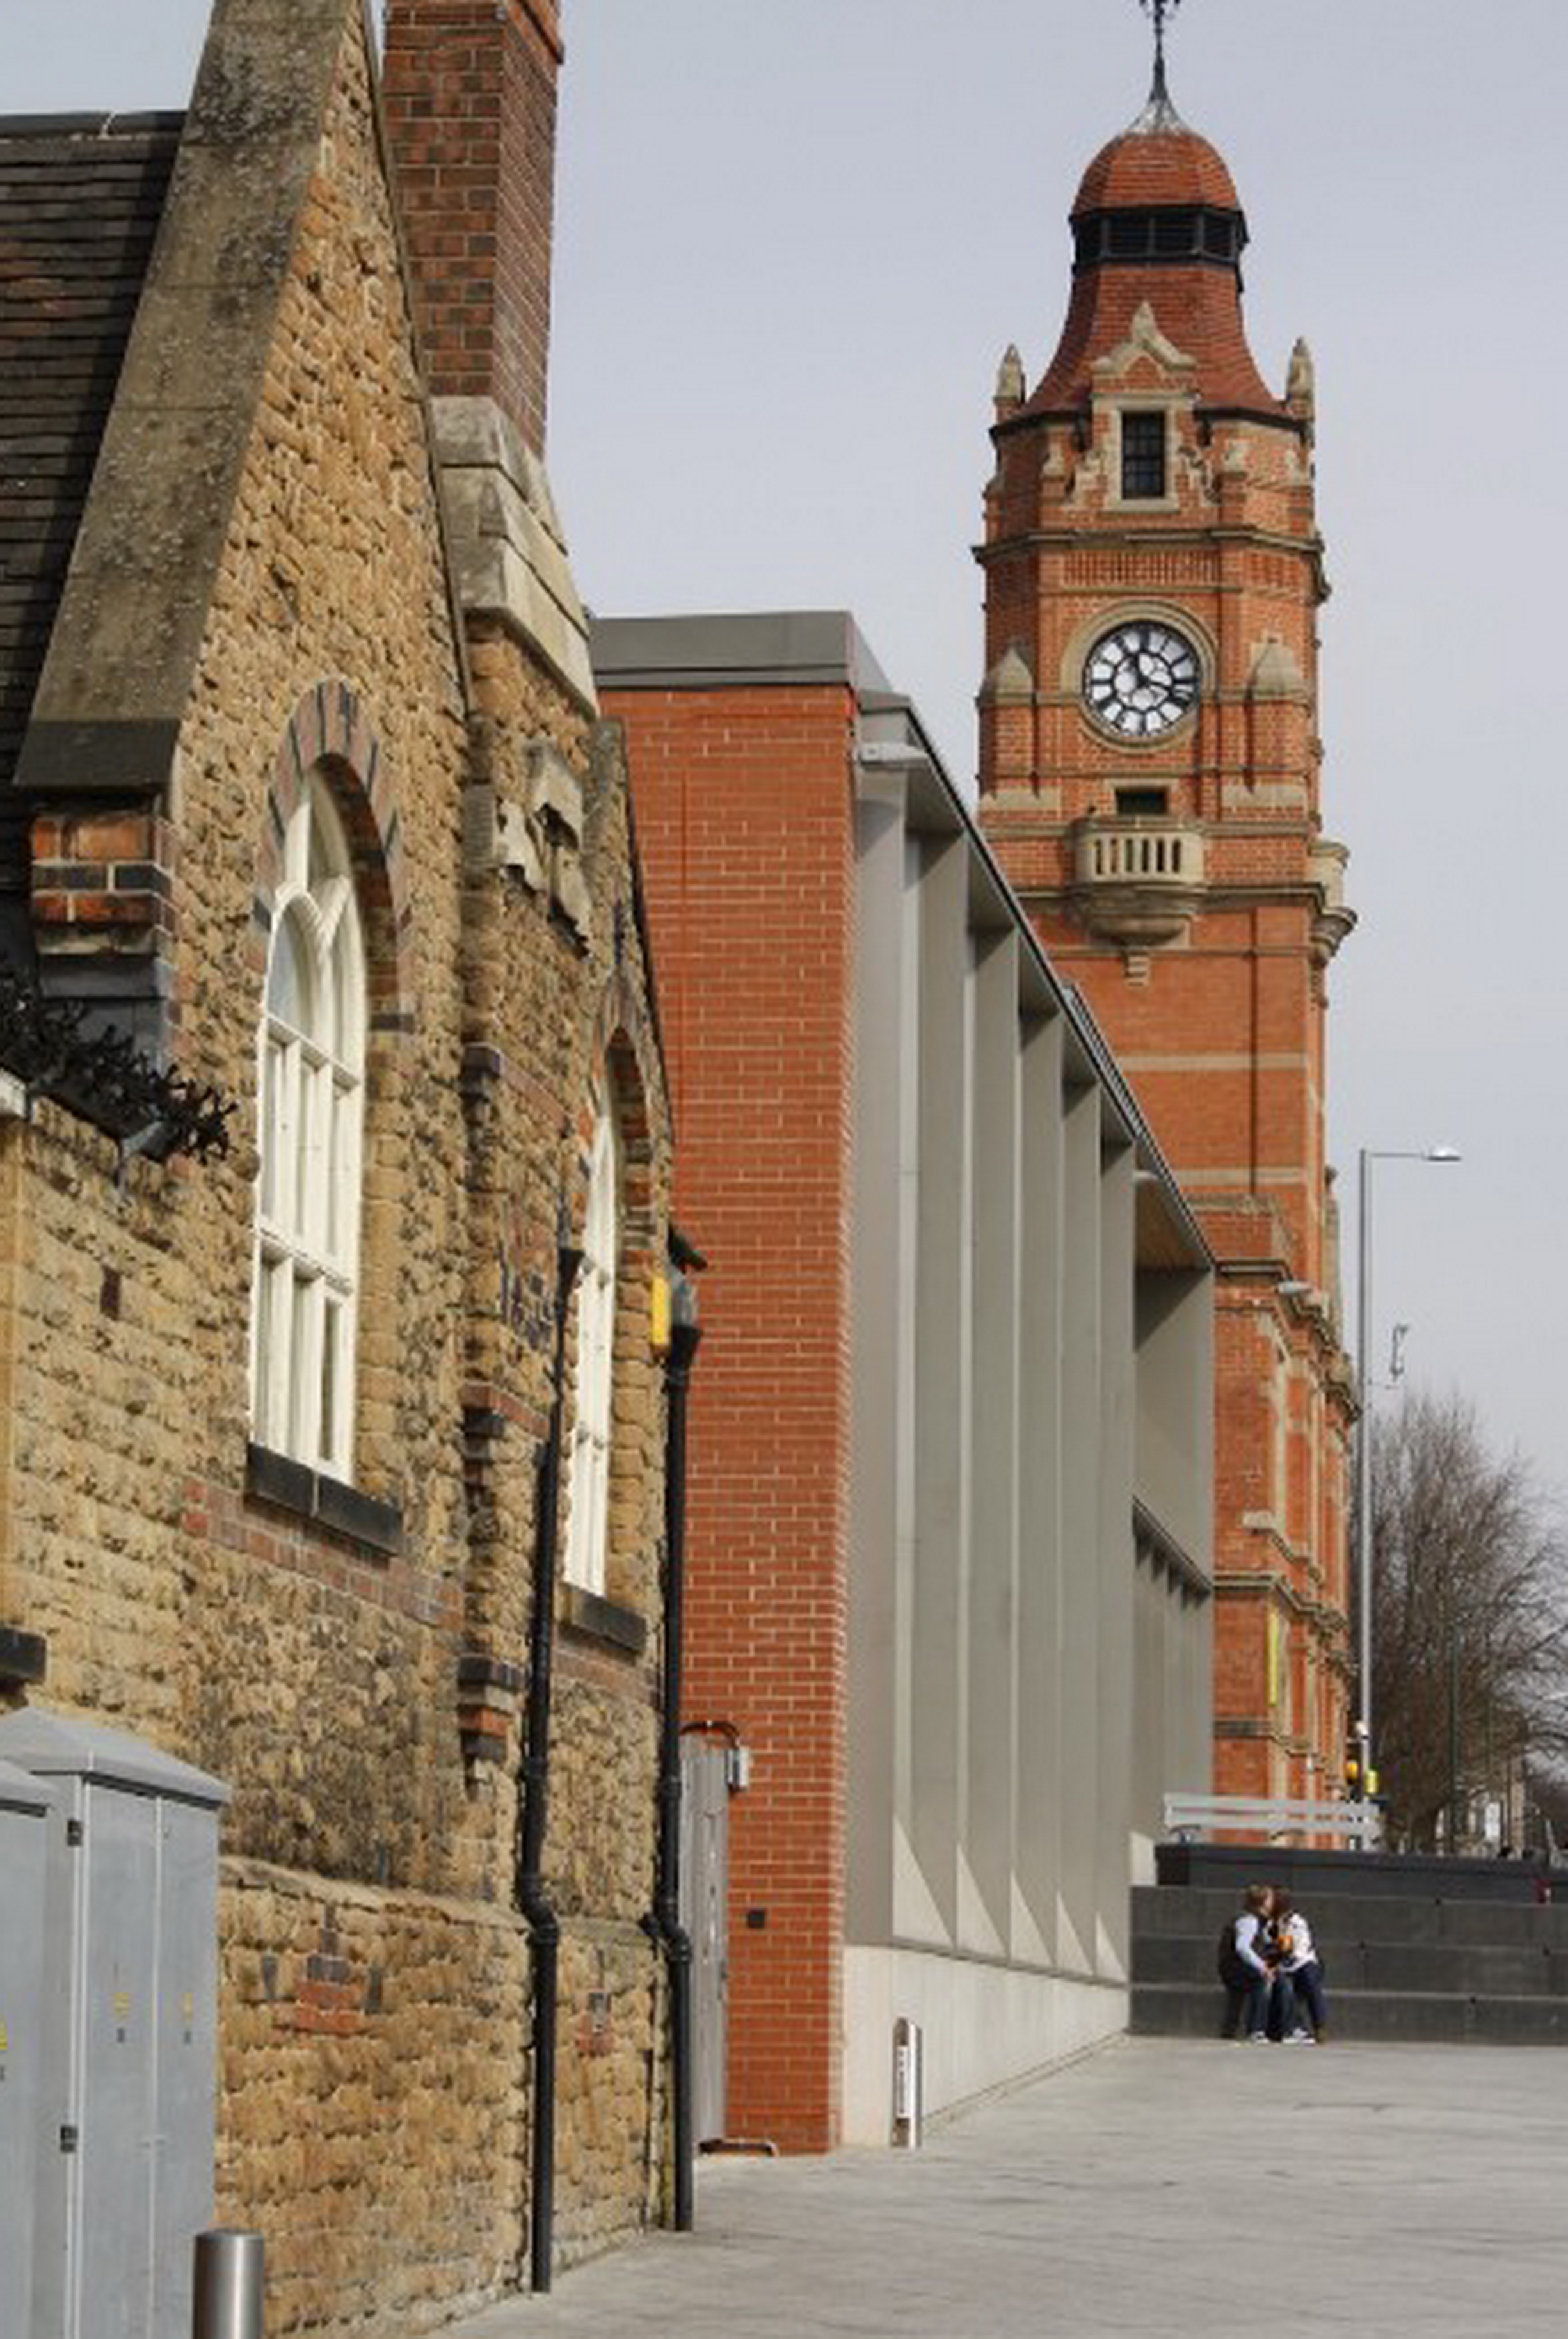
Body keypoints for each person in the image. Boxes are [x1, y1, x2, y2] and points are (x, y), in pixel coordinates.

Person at [1217, 1883, 1276, 2041]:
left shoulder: (1257, 1919)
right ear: (1263, 1902)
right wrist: (1263, 1968)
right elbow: (1243, 1947)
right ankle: (1256, 2029)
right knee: (1261, 1981)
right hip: (1235, 1966)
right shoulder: (1249, 1920)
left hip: (1231, 1965)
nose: (1273, 1902)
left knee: (1236, 1998)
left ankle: (1230, 2029)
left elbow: (1265, 1940)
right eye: (1271, 1899)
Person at [1271, 1888, 1326, 2042]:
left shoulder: (1298, 1922)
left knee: (1310, 1981)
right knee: (1284, 1984)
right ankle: (1289, 2029)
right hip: (1283, 1965)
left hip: (1303, 1962)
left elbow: (1301, 1949)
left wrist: (1287, 1957)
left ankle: (1320, 2026)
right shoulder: (1273, 1923)